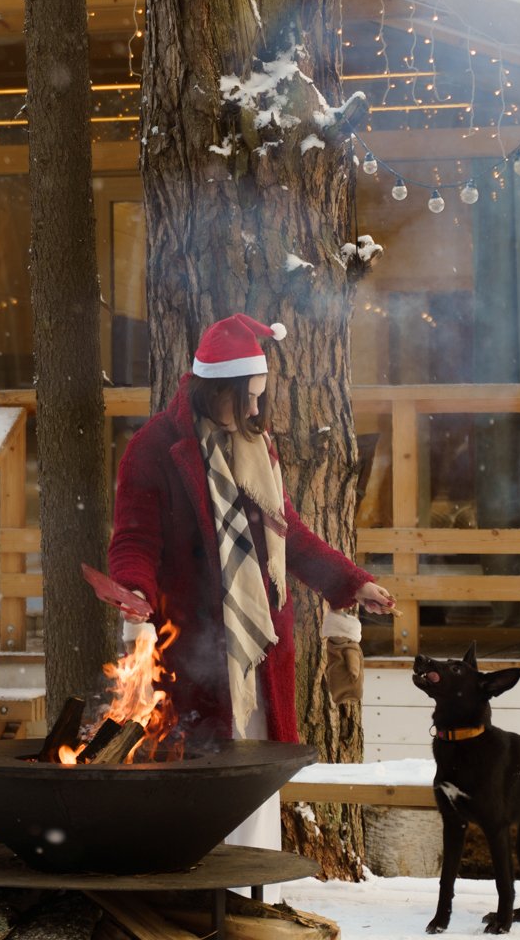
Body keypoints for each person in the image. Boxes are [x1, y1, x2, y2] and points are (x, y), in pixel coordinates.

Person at [108, 313, 395, 854]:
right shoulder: (152, 448)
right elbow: (134, 539)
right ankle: (199, 894)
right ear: (218, 389)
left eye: (262, 396)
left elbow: (291, 534)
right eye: (250, 398)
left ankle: (251, 890)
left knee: (255, 772)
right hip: (192, 644)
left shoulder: (258, 446)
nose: (258, 410)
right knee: (198, 774)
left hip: (257, 643)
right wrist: (135, 590)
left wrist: (351, 584)